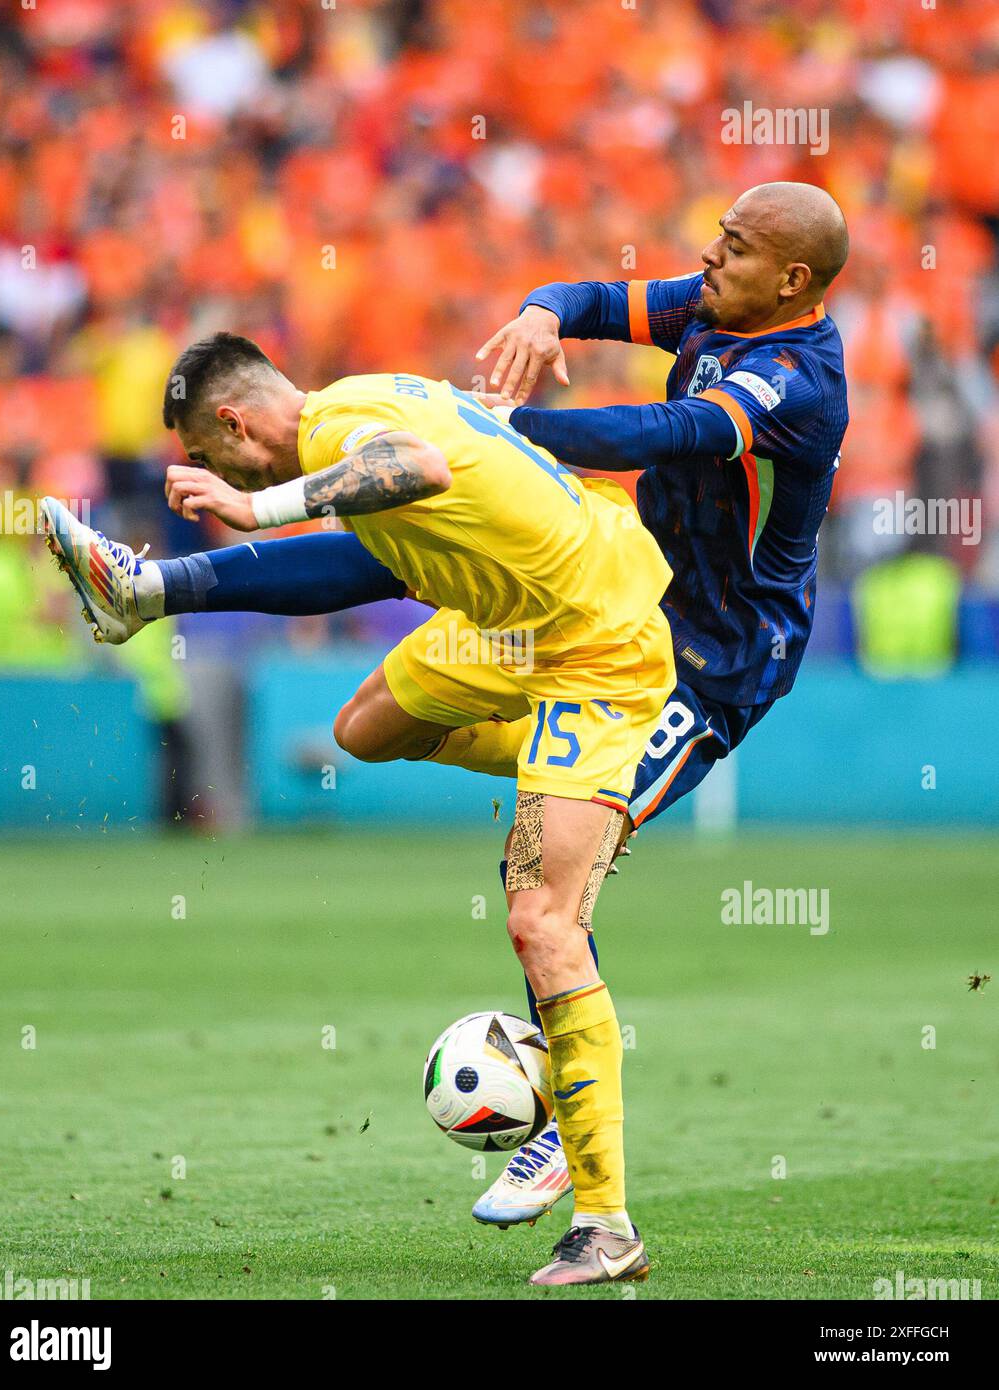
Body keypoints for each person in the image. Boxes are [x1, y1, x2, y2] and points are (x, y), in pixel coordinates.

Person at [43, 179, 850, 1266]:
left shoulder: (794, 378)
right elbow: (380, 538)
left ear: (791, 277)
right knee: (368, 725)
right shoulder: (691, 313)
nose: (708, 255)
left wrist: (499, 430)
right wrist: (540, 310)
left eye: (734, 244)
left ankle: (595, 1198)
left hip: (685, 654)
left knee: (543, 914)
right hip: (564, 600)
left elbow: (662, 430)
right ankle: (563, 787)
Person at [42, 340, 677, 1288]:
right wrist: (166, 592)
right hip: (518, 621)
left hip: (597, 645)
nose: (223, 480)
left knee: (539, 923)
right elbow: (356, 565)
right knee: (368, 726)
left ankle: (605, 1223)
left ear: (235, 424)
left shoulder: (341, 430)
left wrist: (254, 507)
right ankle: (584, 784)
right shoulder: (364, 399)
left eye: (218, 464)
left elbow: (410, 468)